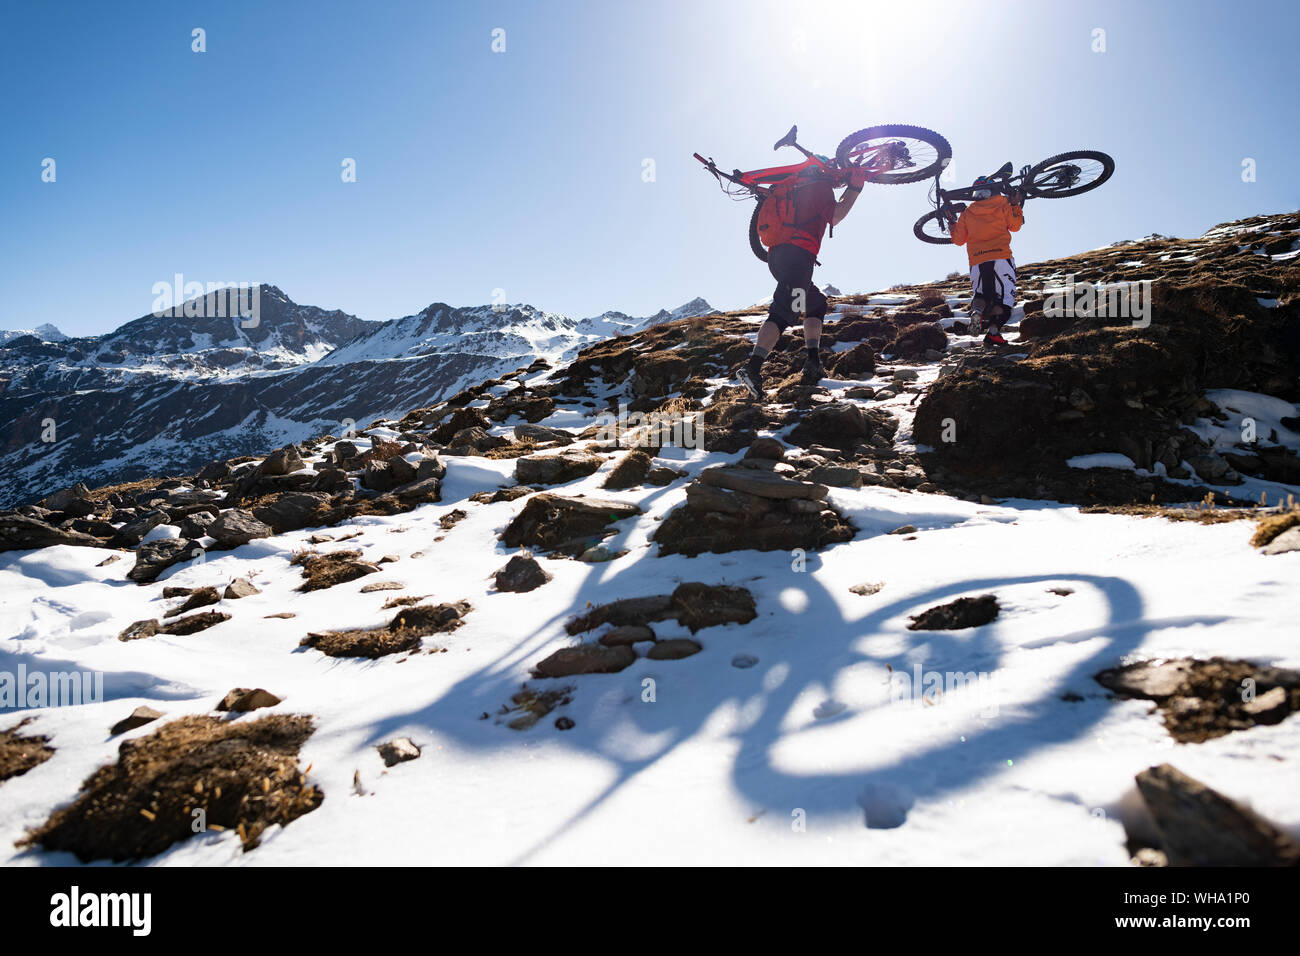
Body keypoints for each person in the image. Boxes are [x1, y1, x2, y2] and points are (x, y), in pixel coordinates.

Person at [737, 164, 868, 398]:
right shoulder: (820, 187)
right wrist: (855, 188)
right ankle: (752, 369)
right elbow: (836, 215)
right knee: (783, 312)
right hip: (798, 257)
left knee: (816, 303)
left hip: (779, 257)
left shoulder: (795, 186)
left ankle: (813, 361)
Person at [949, 175, 1024, 346]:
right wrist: (1015, 205)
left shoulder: (968, 212)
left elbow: (959, 240)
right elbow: (1015, 226)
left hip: (977, 260)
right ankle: (993, 332)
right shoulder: (1002, 203)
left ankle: (977, 311)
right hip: (1000, 256)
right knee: (1005, 299)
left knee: (982, 294)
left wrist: (952, 223)